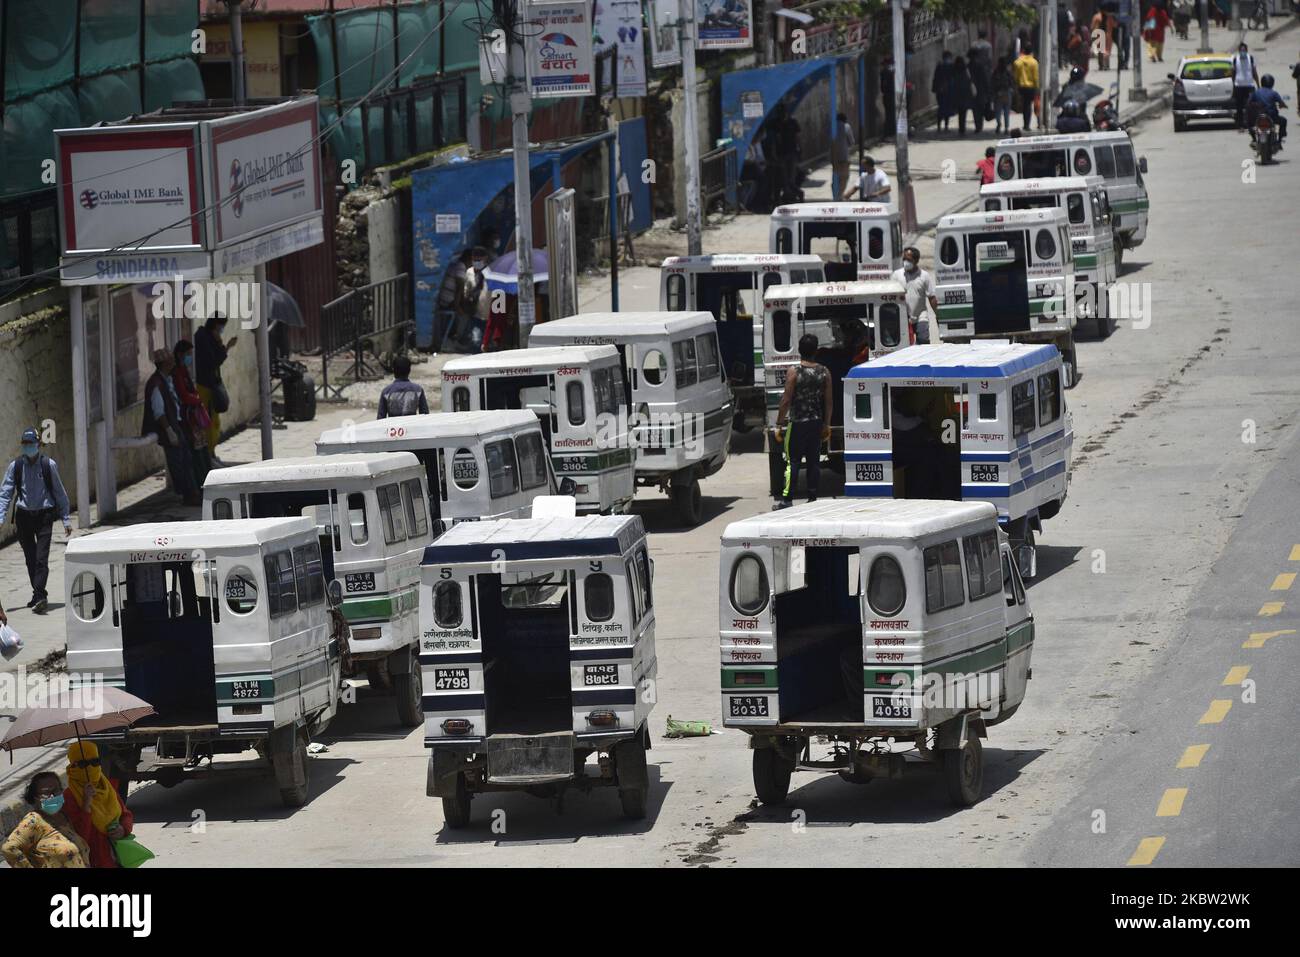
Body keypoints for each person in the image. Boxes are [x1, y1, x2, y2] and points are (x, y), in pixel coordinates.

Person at [0, 428, 72, 614]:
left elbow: (59, 493)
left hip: (44, 516)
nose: (28, 447)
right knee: (30, 558)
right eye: (25, 444)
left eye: (31, 443)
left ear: (38, 445)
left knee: (41, 558)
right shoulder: (15, 466)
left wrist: (65, 519)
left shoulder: (48, 465)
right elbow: (5, 494)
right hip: (23, 517)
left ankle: (40, 595)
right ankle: (37, 592)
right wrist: (0, 518)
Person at [773, 333, 832, 509]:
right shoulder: (824, 372)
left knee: (793, 461)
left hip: (797, 423)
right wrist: (826, 424)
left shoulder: (794, 371)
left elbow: (786, 400)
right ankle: (812, 497)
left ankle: (787, 499)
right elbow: (829, 401)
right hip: (816, 422)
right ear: (816, 351)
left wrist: (779, 423)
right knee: (814, 461)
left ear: (799, 350)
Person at [142, 348, 201, 507]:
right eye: (170, 361)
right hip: (169, 428)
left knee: (186, 460)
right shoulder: (156, 384)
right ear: (164, 364)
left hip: (176, 424)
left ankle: (191, 492)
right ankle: (187, 494)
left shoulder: (166, 379)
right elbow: (159, 412)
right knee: (178, 464)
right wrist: (169, 431)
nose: (173, 363)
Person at [62, 741, 133, 868]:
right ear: (72, 766)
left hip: (116, 859)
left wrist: (123, 829)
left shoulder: (107, 787)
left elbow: (125, 814)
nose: (90, 768)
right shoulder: (69, 796)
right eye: (83, 764)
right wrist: (86, 804)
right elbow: (80, 835)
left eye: (95, 762)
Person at [2, 772, 89, 868]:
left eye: (56, 790)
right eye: (46, 793)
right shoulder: (34, 820)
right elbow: (9, 848)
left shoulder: (63, 817)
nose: (53, 796)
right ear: (35, 797)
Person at [193, 313, 236, 465]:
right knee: (207, 421)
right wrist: (226, 347)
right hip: (205, 385)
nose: (222, 329)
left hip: (211, 384)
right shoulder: (203, 338)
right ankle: (208, 454)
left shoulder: (210, 338)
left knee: (214, 421)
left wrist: (219, 343)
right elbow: (213, 361)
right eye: (221, 326)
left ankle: (211, 452)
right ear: (215, 324)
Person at [171, 339, 211, 489]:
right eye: (187, 354)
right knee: (195, 453)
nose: (189, 357)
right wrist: (197, 399)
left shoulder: (184, 370)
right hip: (188, 418)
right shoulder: (177, 372)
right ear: (180, 354)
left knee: (202, 449)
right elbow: (184, 395)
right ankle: (200, 482)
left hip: (194, 417)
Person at [891, 246, 939, 344]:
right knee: (904, 346)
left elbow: (931, 297)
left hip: (921, 316)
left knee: (923, 341)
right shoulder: (896, 275)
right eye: (904, 259)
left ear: (916, 260)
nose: (905, 262)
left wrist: (938, 315)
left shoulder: (924, 276)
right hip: (902, 317)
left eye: (908, 259)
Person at [1247, 75, 1288, 145]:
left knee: (1250, 124)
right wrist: (1283, 106)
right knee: (1284, 121)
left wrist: (1255, 106)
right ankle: (1279, 140)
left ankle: (1254, 140)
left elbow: (1249, 103)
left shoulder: (1256, 92)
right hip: (1272, 117)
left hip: (1258, 116)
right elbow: (1281, 102)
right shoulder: (1274, 93)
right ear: (1272, 83)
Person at [1232, 42, 1261, 130]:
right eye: (1241, 50)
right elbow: (1233, 72)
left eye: (1244, 50)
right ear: (1239, 51)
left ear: (1247, 50)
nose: (1242, 52)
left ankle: (1251, 124)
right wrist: (1233, 84)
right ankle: (1240, 125)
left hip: (1249, 85)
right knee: (1239, 107)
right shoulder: (1235, 59)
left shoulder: (1250, 58)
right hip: (1239, 86)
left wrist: (1258, 84)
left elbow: (1254, 71)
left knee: (1251, 106)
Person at [1013, 45, 1040, 131]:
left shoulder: (1018, 62)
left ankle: (1025, 123)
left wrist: (1016, 84)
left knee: (1024, 105)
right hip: (1031, 87)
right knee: (1028, 106)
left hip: (1021, 87)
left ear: (1024, 51)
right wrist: (1037, 87)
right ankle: (1027, 124)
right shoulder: (1034, 62)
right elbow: (1035, 77)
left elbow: (1016, 76)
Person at [948, 56, 975, 136]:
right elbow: (969, 80)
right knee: (963, 112)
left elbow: (951, 81)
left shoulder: (954, 70)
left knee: (960, 113)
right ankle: (962, 129)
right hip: (964, 94)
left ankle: (961, 129)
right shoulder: (965, 69)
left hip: (957, 94)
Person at [831, 113, 856, 200]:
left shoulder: (832, 126)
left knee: (835, 176)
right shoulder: (846, 126)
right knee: (844, 177)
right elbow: (852, 142)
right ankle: (839, 196)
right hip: (844, 156)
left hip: (833, 157)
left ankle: (835, 195)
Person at [932, 50, 955, 132]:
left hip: (940, 91)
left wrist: (935, 89)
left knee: (941, 108)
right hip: (947, 90)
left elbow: (935, 79)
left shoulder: (939, 66)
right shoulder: (951, 66)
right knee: (946, 108)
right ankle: (945, 126)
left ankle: (940, 126)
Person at [992, 56, 1014, 133]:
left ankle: (999, 124)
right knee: (1006, 112)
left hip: (999, 94)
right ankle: (1006, 127)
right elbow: (1012, 82)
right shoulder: (1008, 72)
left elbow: (992, 83)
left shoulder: (996, 72)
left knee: (998, 111)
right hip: (1006, 93)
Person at [880, 56, 896, 134]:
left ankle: (890, 131)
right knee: (890, 114)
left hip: (888, 95)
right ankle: (888, 132)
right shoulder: (886, 72)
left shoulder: (886, 72)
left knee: (890, 114)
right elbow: (885, 85)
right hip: (889, 95)